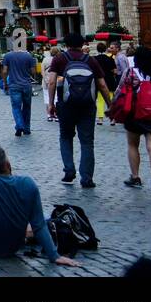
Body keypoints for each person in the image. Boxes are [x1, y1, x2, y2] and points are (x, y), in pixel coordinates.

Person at [46, 34, 110, 189]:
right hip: (87, 105)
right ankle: (87, 178)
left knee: (66, 137)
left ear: (66, 44)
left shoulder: (60, 59)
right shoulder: (90, 60)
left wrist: (51, 103)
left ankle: (69, 170)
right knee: (87, 142)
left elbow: (52, 81)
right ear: (83, 45)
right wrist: (110, 104)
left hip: (66, 104)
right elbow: (102, 84)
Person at [120, 46, 151, 192]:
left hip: (134, 115)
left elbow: (119, 91)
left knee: (133, 145)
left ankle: (135, 177)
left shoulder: (130, 72)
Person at [1, 41, 37, 137]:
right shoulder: (29, 56)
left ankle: (19, 125)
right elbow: (33, 71)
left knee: (16, 107)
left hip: (14, 85)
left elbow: (4, 71)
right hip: (26, 85)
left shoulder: (8, 55)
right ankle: (27, 129)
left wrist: (5, 83)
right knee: (27, 107)